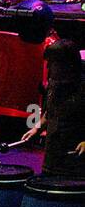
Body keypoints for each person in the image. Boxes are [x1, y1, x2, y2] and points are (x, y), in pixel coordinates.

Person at [20, 38, 85, 176]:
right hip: (52, 159)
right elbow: (50, 113)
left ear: (67, 65)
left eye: (52, 63)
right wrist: (37, 128)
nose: (48, 67)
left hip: (75, 163)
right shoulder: (53, 84)